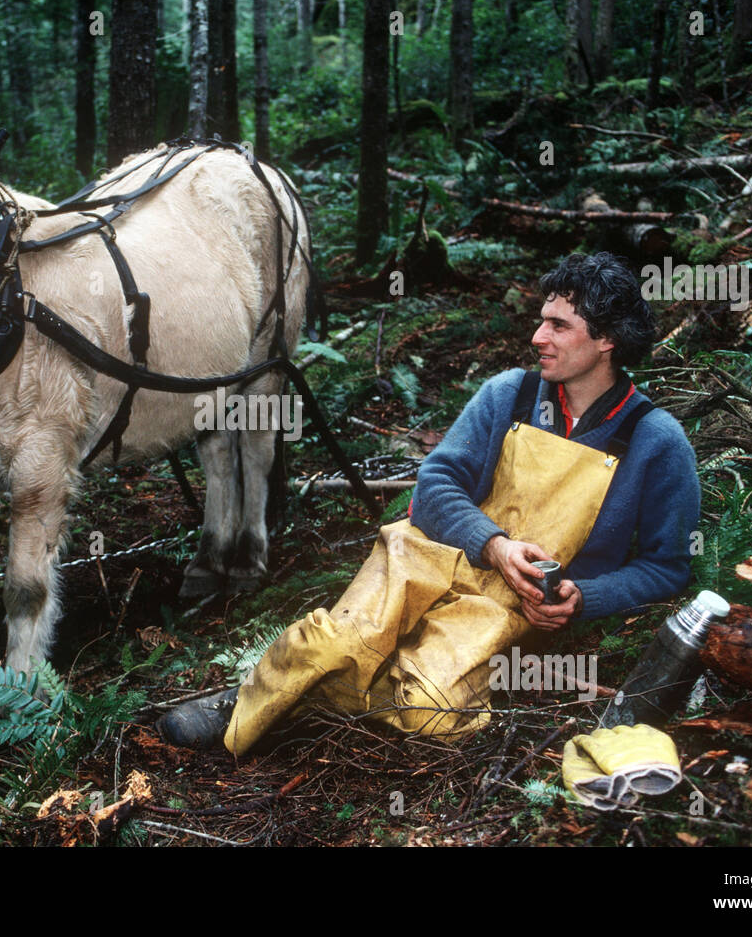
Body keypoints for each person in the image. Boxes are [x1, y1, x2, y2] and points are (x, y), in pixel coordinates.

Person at [158, 252, 701, 754]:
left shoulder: (655, 441)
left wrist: (584, 597)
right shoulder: (508, 394)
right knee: (328, 643)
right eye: (541, 320)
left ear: (606, 339)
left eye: (558, 325)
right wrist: (493, 544)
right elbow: (435, 484)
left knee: (428, 712)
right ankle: (244, 701)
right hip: (426, 555)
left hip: (509, 604)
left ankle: (302, 695)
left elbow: (667, 566)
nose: (538, 336)